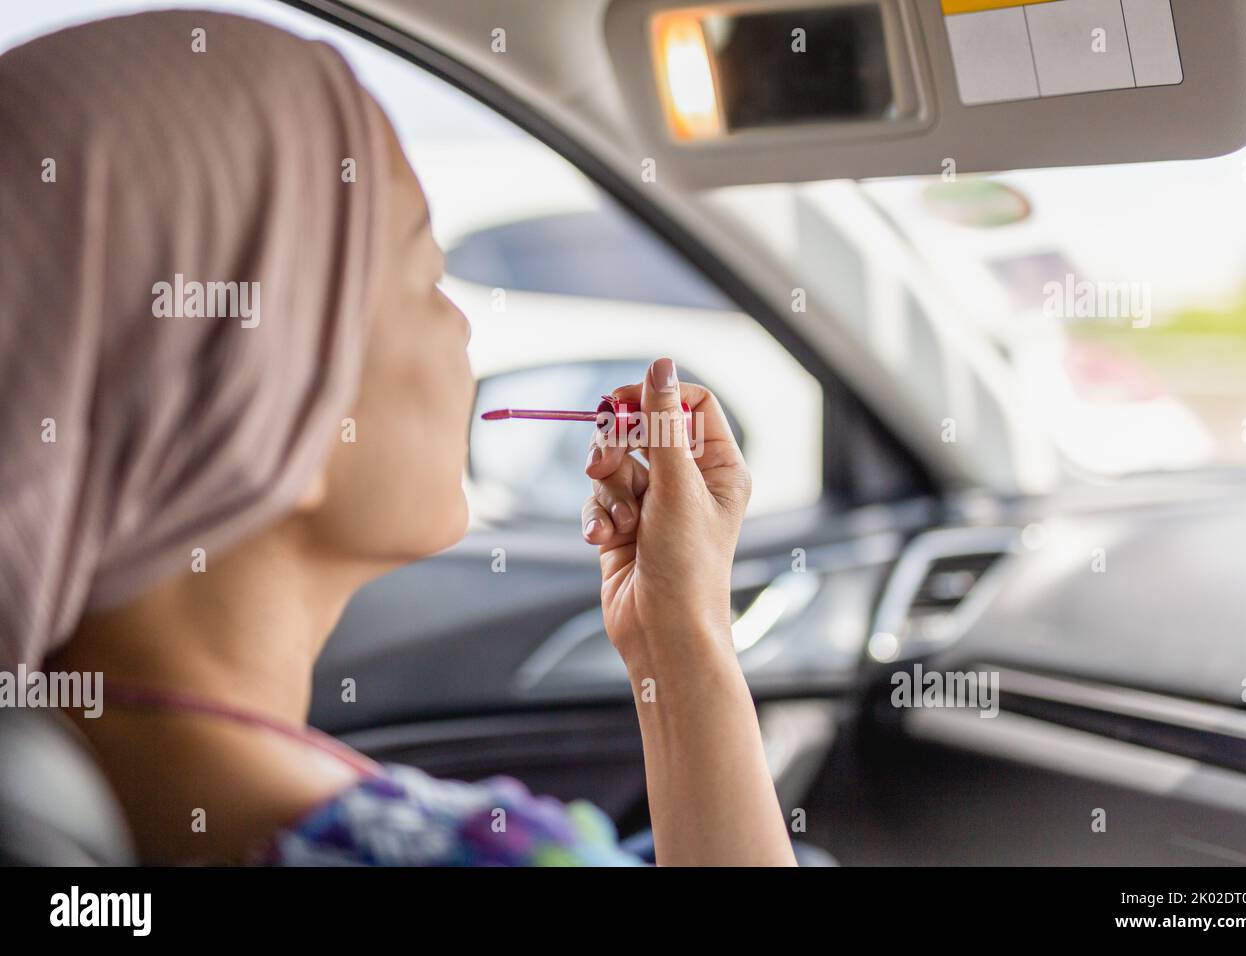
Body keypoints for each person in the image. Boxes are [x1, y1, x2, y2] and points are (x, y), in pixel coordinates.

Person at [0, 11, 797, 866]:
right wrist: (696, 645)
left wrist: (670, 637)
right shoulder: (462, 854)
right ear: (273, 400)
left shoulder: (48, 770)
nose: (460, 327)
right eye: (424, 276)